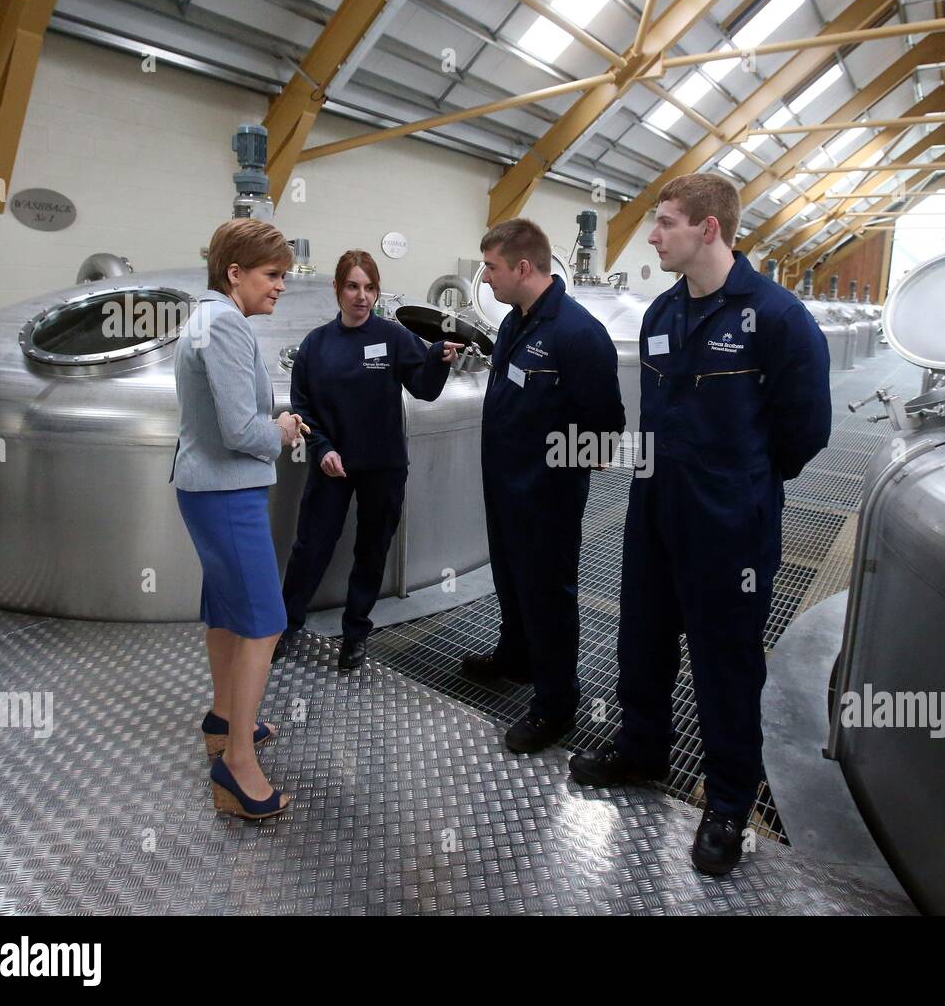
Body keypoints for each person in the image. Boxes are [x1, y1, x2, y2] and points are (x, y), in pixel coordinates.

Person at [569, 174, 832, 876]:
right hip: (655, 508)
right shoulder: (660, 314)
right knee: (642, 636)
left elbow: (806, 431)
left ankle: (726, 802)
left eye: (665, 224)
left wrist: (737, 479)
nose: (652, 236)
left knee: (726, 661)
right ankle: (642, 747)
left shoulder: (775, 318)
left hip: (729, 522)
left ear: (708, 229)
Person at [462, 219, 624, 754]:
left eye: (492, 267)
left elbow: (606, 428)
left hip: (544, 498)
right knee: (511, 581)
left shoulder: (578, 335)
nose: (485, 278)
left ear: (523, 268)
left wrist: (551, 474)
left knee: (548, 596)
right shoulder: (515, 322)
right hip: (502, 486)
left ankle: (555, 705)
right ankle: (515, 657)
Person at [275, 250, 463, 669]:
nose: (362, 296)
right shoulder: (317, 345)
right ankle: (285, 625)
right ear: (338, 289)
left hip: (383, 465)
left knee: (372, 549)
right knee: (312, 545)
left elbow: (425, 389)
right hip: (332, 465)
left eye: (370, 287)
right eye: (353, 286)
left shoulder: (394, 337)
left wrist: (439, 361)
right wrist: (322, 449)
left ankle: (355, 634)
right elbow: (301, 405)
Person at [172, 217, 303, 820]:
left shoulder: (205, 318)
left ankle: (224, 717)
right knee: (263, 622)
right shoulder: (224, 325)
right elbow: (238, 430)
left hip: (206, 488)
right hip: (228, 493)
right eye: (272, 275)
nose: (280, 286)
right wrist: (278, 429)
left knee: (227, 609)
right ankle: (238, 763)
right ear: (235, 274)